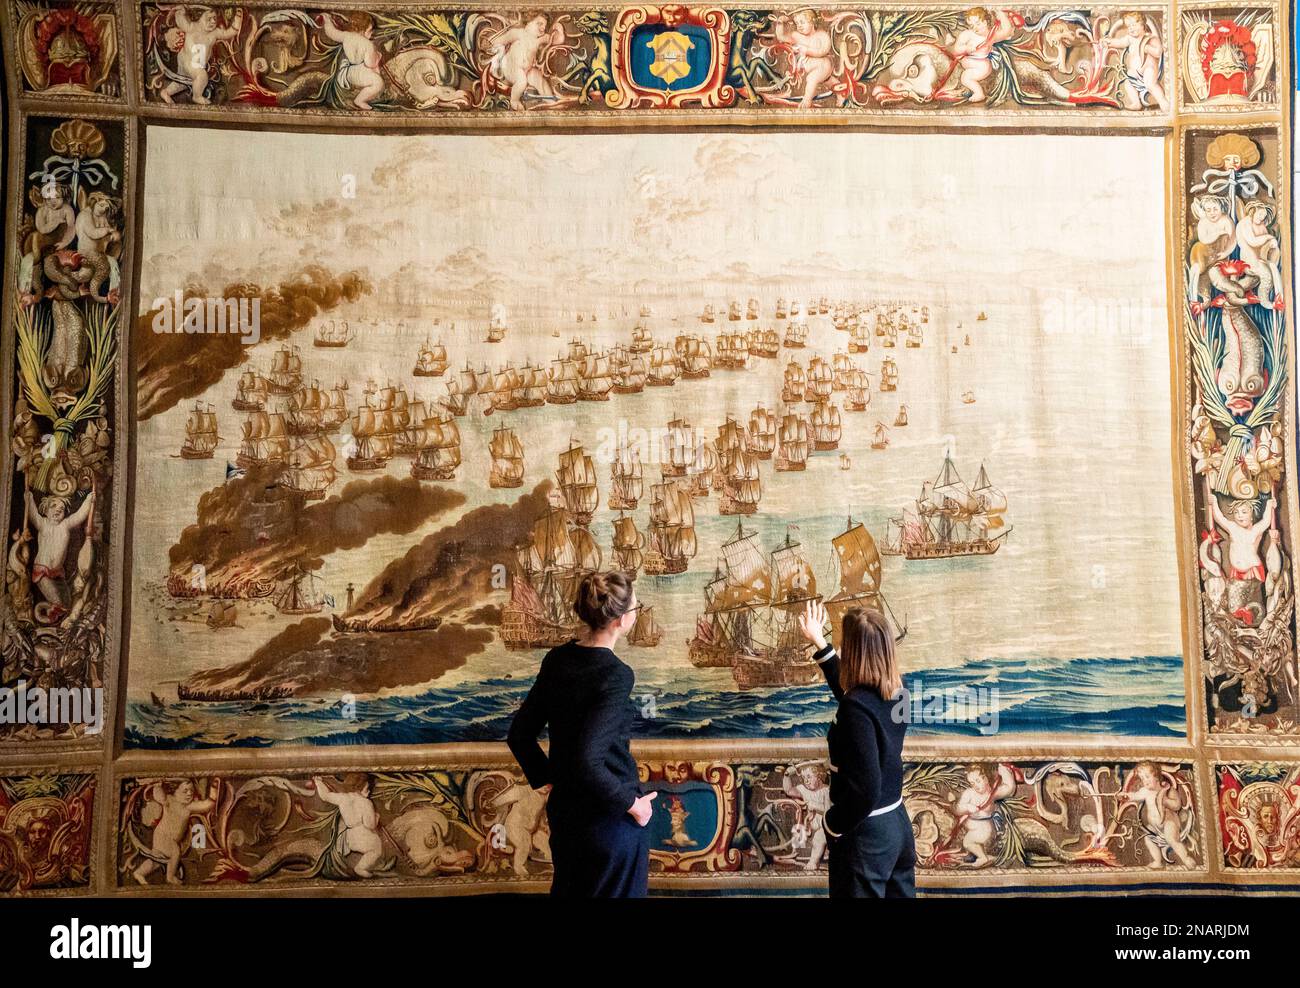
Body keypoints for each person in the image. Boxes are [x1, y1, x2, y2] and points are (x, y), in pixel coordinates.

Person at [507, 571, 657, 897]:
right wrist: (633, 806)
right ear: (620, 620)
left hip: (566, 819)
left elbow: (520, 734)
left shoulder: (557, 659)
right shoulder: (617, 675)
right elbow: (587, 761)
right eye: (634, 607)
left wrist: (546, 778)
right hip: (610, 822)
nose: (636, 612)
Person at [797, 598, 915, 898]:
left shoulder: (855, 708)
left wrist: (833, 824)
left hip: (867, 835)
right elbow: (855, 698)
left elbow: (866, 789)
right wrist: (820, 643)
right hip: (897, 827)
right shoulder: (899, 695)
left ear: (852, 652)